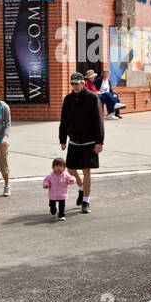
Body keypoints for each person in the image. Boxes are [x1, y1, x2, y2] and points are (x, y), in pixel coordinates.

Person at [58, 71, 104, 214]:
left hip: (89, 141)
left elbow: (99, 120)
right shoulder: (68, 99)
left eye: (77, 83)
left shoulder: (92, 98)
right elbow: (64, 120)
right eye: (72, 84)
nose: (75, 86)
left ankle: (86, 201)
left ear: (83, 83)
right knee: (71, 168)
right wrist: (62, 139)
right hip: (74, 141)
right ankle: (81, 186)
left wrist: (99, 141)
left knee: (86, 171)